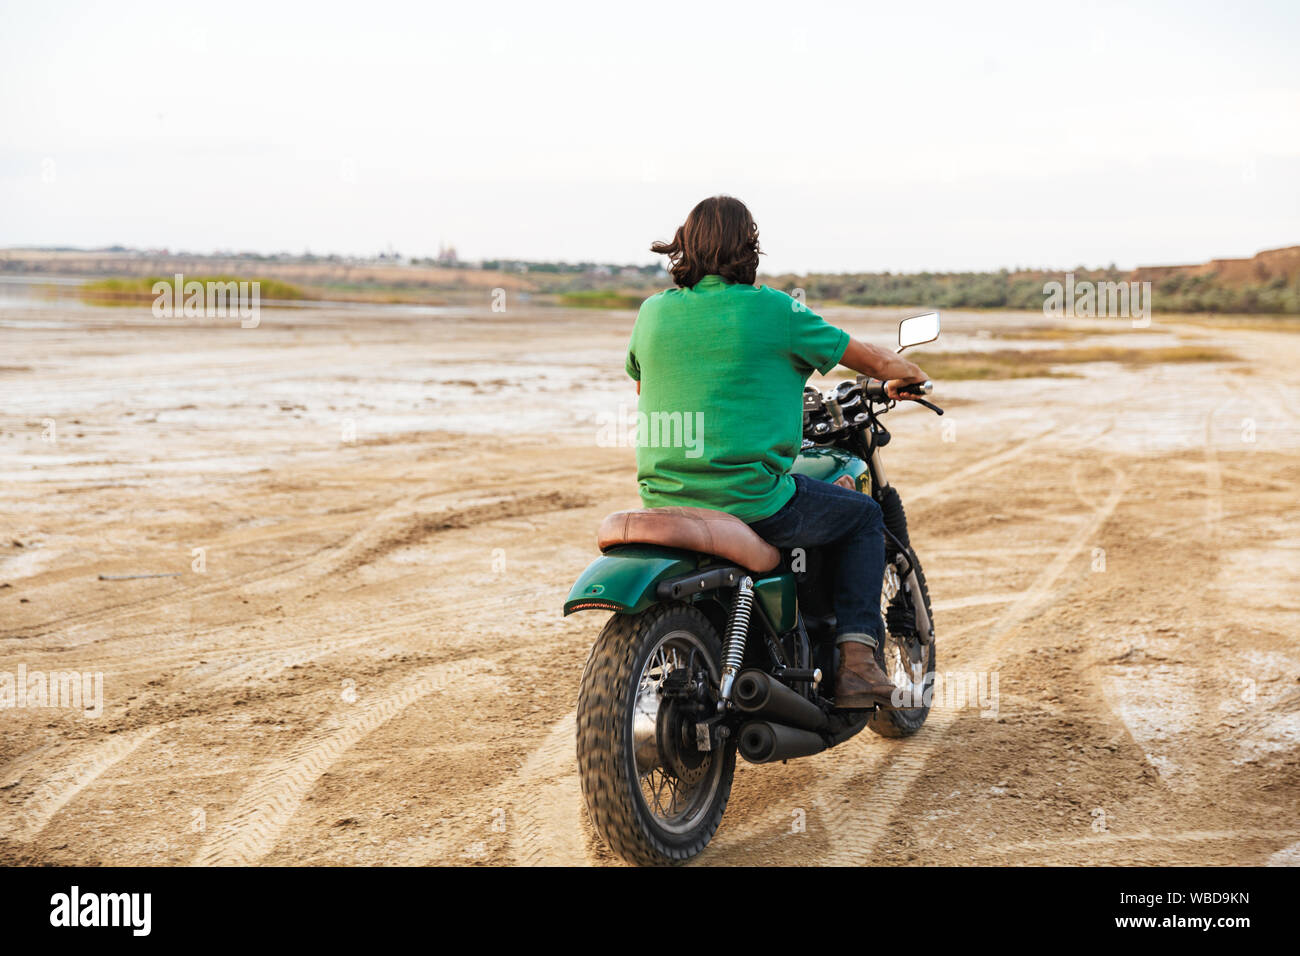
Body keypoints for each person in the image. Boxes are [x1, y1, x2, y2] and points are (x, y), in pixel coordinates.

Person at [625, 195, 929, 708]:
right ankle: (858, 665)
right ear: (749, 247)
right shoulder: (775, 309)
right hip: (750, 500)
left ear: (686, 245)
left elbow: (646, 385)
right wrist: (910, 374)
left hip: (665, 498)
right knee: (862, 517)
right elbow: (870, 360)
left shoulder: (651, 312)